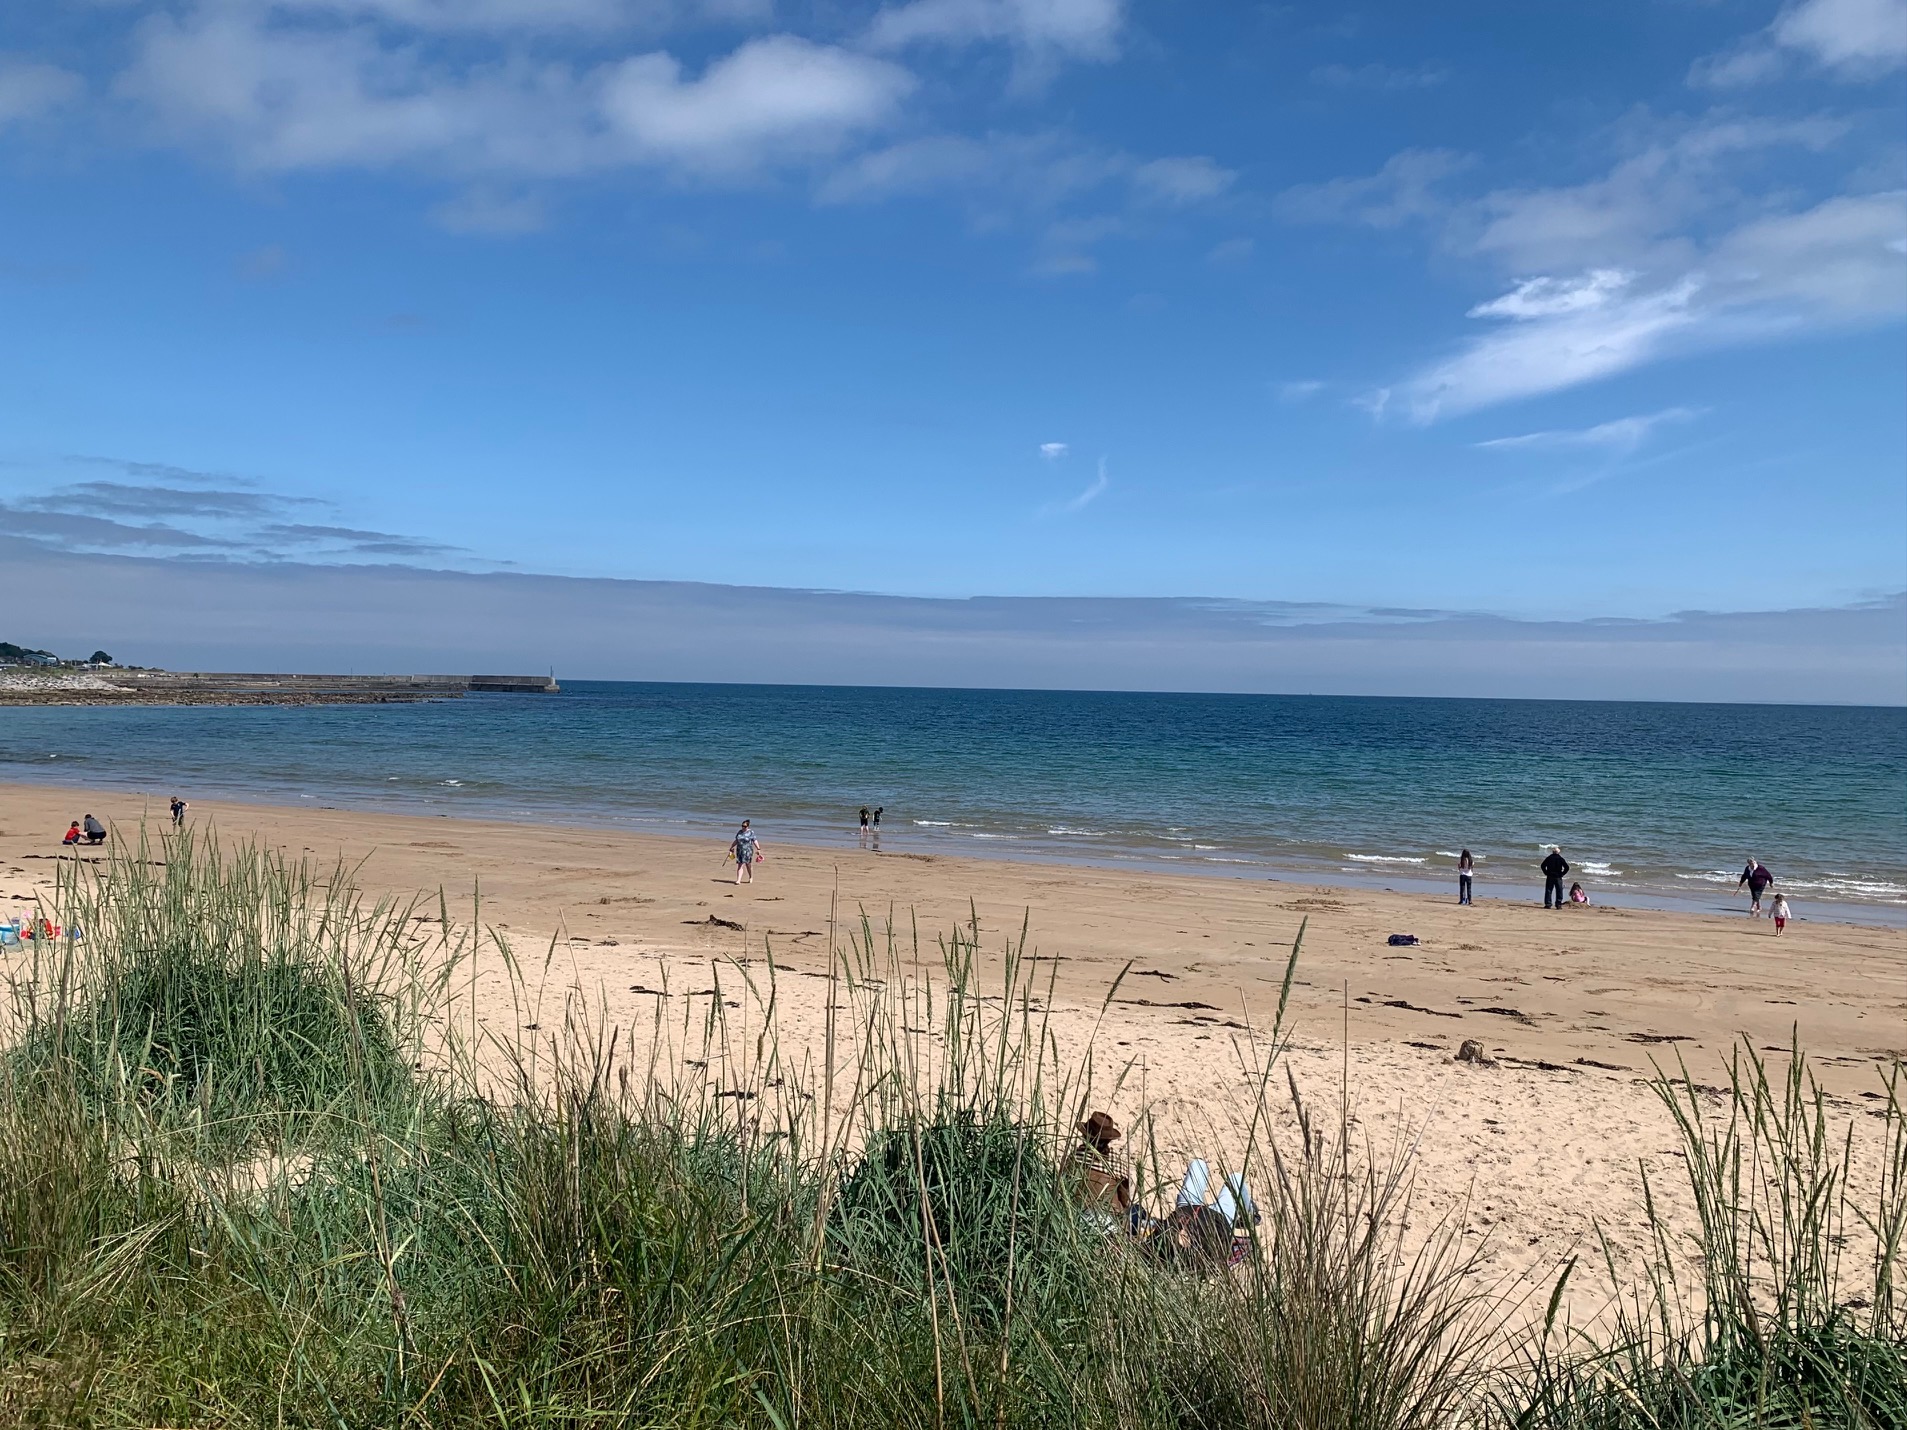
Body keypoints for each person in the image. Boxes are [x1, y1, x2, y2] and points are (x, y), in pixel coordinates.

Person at [730, 820, 761, 885]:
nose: (743, 827)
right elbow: (736, 840)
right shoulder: (740, 832)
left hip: (748, 851)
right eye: (742, 826)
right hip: (740, 850)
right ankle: (738, 880)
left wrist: (758, 848)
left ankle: (750, 877)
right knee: (740, 864)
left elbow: (754, 840)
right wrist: (732, 847)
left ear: (748, 826)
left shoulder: (751, 832)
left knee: (748, 864)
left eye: (745, 826)